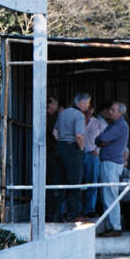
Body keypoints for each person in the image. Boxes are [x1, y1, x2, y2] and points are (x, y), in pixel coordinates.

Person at [51, 93, 89, 222]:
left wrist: (61, 141)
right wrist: (82, 149)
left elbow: (54, 132)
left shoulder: (63, 113)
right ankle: (74, 213)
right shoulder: (79, 115)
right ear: (82, 103)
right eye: (88, 103)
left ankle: (57, 213)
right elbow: (79, 136)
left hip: (60, 148)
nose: (88, 106)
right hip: (72, 148)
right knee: (74, 181)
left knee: (60, 182)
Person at [93, 101, 129, 236]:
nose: (110, 112)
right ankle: (111, 225)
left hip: (111, 163)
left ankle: (115, 226)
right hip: (110, 161)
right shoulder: (114, 125)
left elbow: (101, 138)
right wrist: (101, 141)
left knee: (110, 195)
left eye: (113, 110)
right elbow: (99, 140)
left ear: (120, 112)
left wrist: (102, 141)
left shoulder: (119, 125)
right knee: (107, 195)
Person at [80, 99, 107, 218]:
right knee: (77, 182)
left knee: (92, 182)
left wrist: (97, 151)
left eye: (90, 109)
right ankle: (76, 209)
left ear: (93, 110)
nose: (88, 111)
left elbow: (106, 140)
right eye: (86, 108)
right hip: (78, 155)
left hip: (92, 156)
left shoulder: (99, 124)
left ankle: (89, 208)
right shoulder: (77, 121)